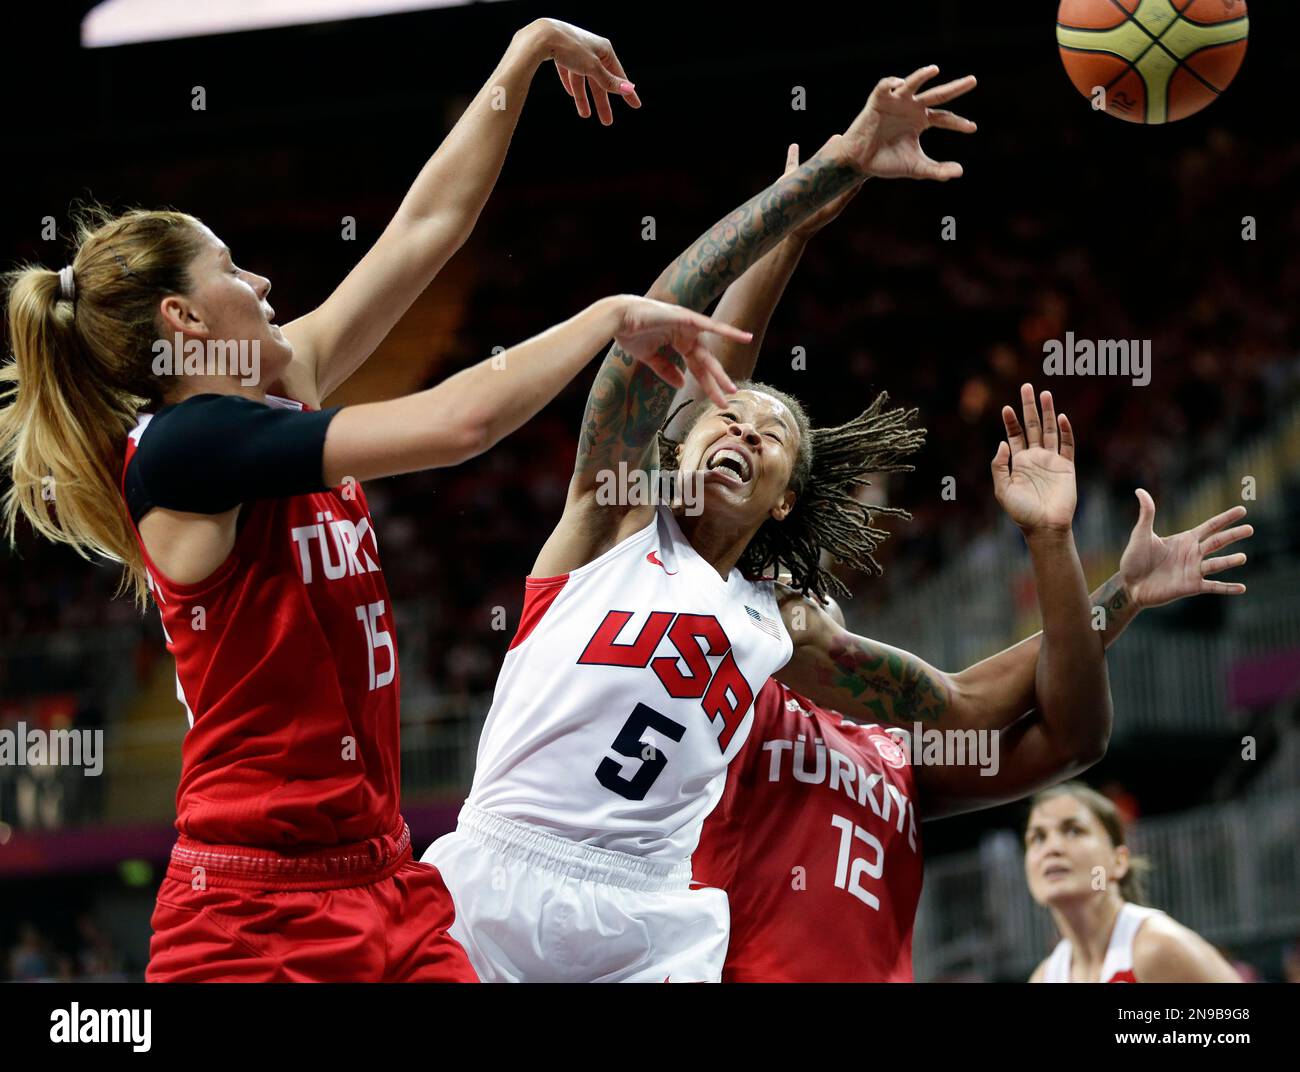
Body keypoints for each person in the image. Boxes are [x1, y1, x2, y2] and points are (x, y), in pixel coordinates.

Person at [0, 19, 750, 982]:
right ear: (183, 319)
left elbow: (427, 229)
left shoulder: (275, 387)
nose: (264, 282)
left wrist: (517, 59)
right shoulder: (191, 450)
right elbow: (456, 426)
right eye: (233, 268)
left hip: (383, 880)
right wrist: (607, 318)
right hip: (252, 917)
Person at [422, 66, 1112, 984]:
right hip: (501, 871)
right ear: (682, 437)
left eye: (775, 431)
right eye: (726, 414)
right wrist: (817, 183)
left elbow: (986, 713)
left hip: (649, 912)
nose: (746, 424)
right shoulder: (610, 527)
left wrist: (1110, 582)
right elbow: (669, 337)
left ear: (786, 495)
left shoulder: (776, 626)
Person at [681, 143, 1252, 982]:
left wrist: (1079, 563)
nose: (793, 589)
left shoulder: (892, 749)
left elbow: (1071, 736)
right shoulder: (727, 669)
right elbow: (711, 399)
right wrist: (785, 234)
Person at [1026, 782, 1242, 982]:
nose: (1051, 848)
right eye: (1037, 837)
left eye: (1074, 830)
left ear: (1118, 861)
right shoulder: (1045, 977)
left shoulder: (1156, 948)